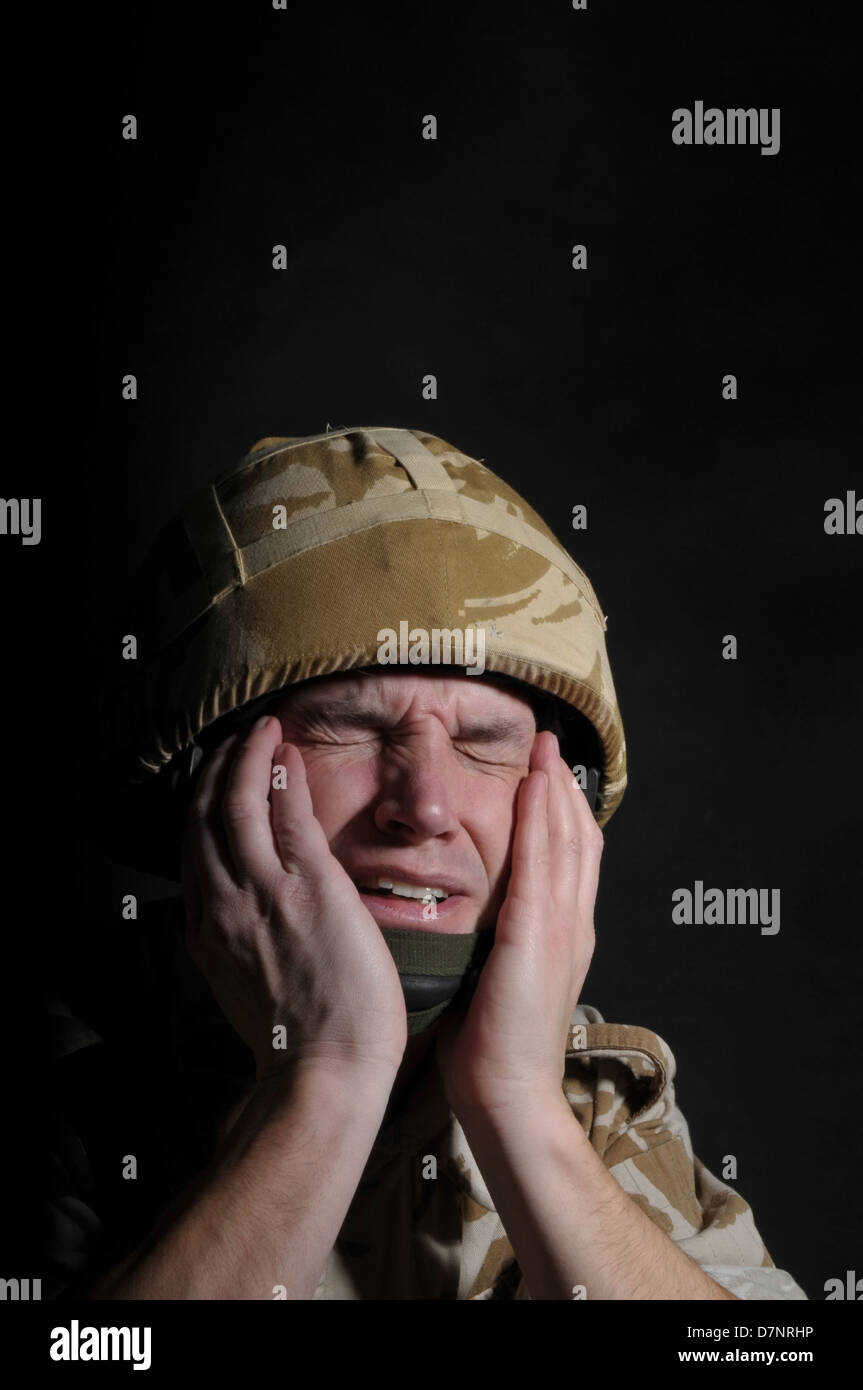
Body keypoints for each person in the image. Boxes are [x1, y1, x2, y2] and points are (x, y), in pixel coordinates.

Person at [47, 425, 807, 1300]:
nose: (427, 807)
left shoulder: (591, 1095)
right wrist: (321, 1081)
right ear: (205, 778)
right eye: (350, 727)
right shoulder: (84, 1091)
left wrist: (519, 1107)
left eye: (485, 744)